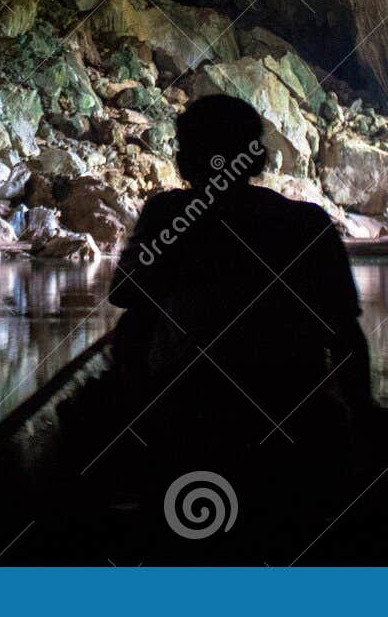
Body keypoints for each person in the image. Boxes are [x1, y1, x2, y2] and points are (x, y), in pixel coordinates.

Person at [108, 94, 374, 446]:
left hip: (188, 414)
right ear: (257, 159)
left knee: (134, 323)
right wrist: (364, 409)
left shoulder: (167, 214)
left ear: (186, 160)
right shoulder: (308, 223)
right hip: (291, 410)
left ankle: (134, 434)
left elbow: (123, 293)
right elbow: (345, 332)